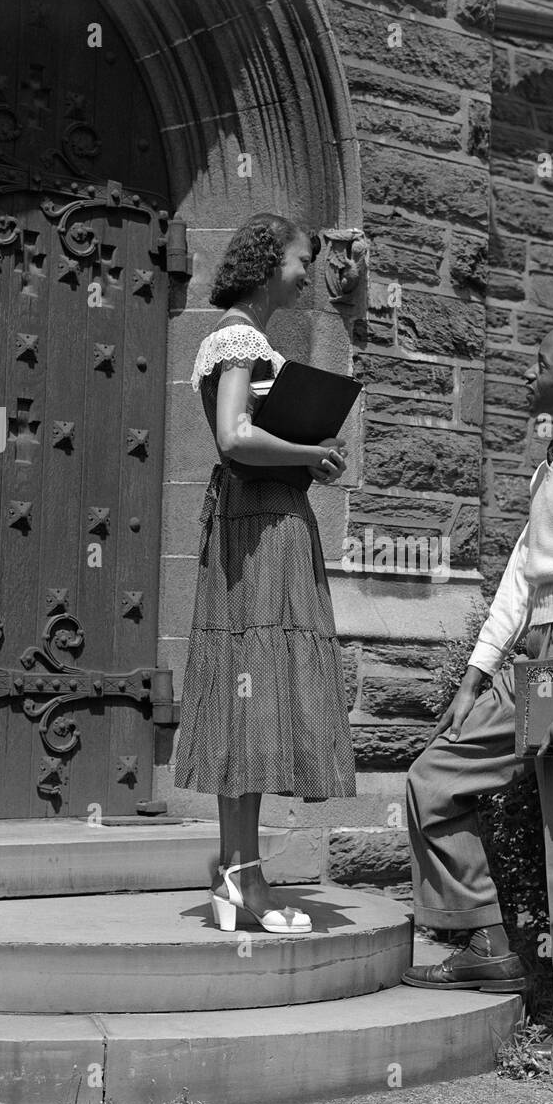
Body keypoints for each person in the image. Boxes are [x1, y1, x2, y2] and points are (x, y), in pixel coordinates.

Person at [401, 318, 553, 1062]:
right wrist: (476, 671)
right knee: (433, 778)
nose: (524, 372)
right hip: (535, 656)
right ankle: (483, 941)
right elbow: (522, 571)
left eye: (539, 364)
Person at [175, 213, 357, 936]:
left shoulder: (245, 338)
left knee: (245, 696)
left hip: (257, 519)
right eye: (299, 258)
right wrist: (309, 455)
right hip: (259, 526)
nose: (306, 271)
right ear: (263, 261)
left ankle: (237, 880)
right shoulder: (237, 338)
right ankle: (239, 883)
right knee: (248, 691)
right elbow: (233, 436)